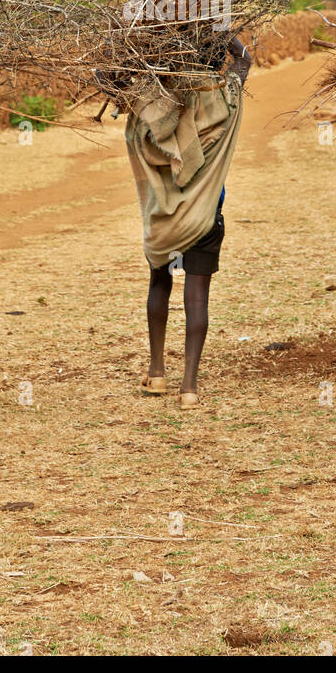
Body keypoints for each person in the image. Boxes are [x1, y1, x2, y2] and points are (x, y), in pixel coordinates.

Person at [124, 36, 251, 408]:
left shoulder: (153, 103)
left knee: (160, 282)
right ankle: (190, 387)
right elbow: (244, 60)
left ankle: (157, 371)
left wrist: (142, 49)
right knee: (197, 297)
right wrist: (221, 29)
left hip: (163, 220)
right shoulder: (225, 96)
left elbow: (111, 80)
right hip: (205, 217)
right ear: (215, 61)